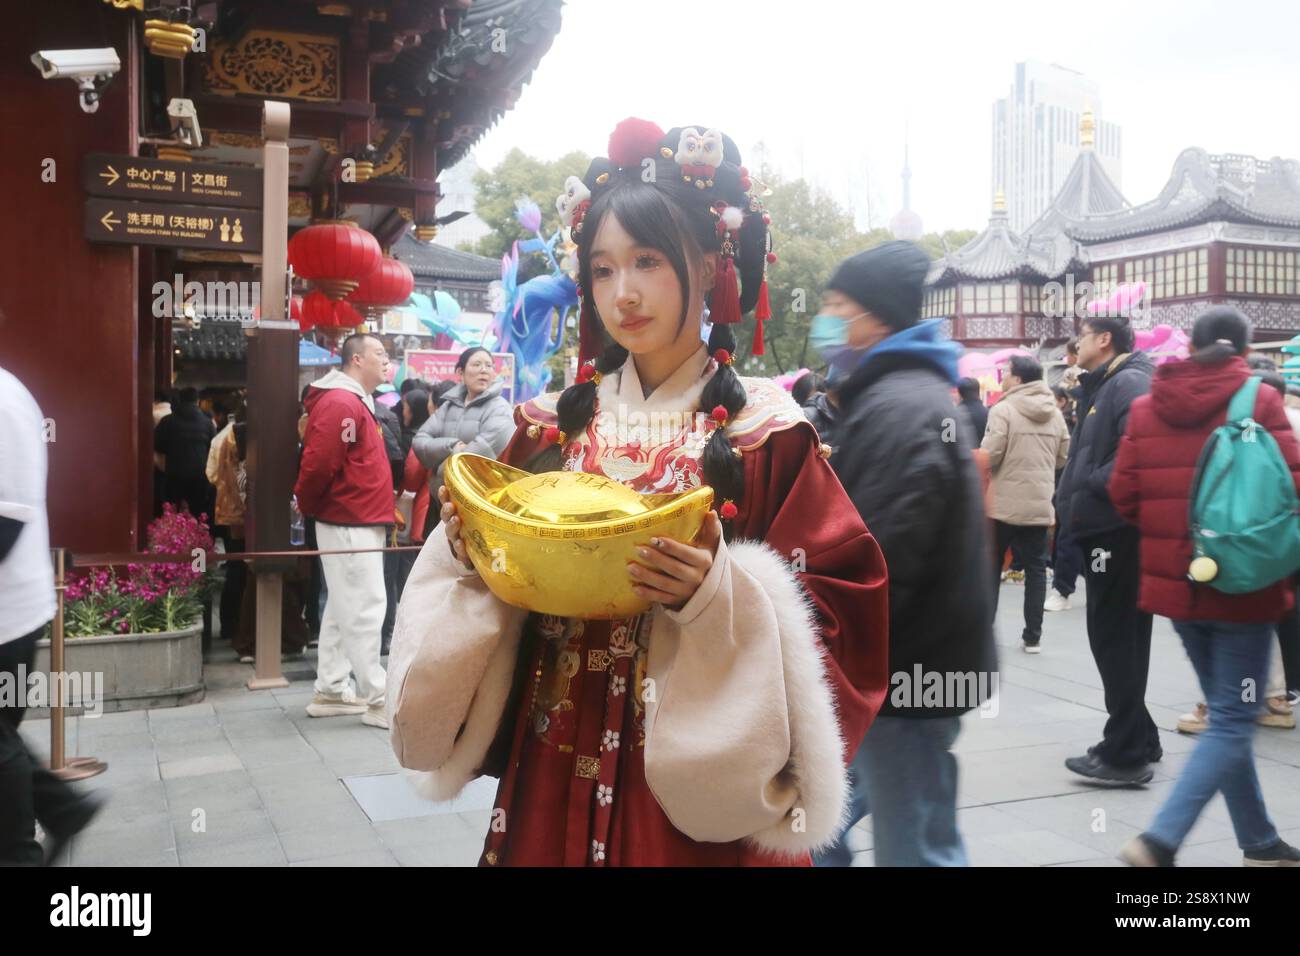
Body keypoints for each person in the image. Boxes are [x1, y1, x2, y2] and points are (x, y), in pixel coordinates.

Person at [388, 118, 890, 867]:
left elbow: (846, 607)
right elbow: (494, 570)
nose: (623, 294)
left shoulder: (766, 435)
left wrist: (716, 596)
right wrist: (476, 552)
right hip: (556, 742)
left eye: (648, 261)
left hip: (694, 763)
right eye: (602, 270)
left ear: (709, 263)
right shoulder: (548, 427)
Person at [809, 240, 997, 867]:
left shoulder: (899, 405)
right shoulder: (894, 393)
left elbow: (882, 555)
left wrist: (828, 640)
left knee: (915, 842)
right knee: (834, 813)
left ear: (878, 318)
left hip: (907, 668)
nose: (827, 318)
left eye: (838, 305)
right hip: (910, 663)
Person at [1113, 307, 1300, 867]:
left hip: (1180, 588)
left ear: (1191, 345)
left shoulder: (1147, 406)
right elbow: (1293, 488)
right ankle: (1160, 840)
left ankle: (1260, 842)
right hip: (1245, 587)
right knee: (1235, 716)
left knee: (1226, 712)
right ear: (1241, 350)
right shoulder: (1260, 401)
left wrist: (1174, 534)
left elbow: (1123, 494)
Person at [0, 359, 103, 864]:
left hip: (7, 609)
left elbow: (6, 517)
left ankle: (18, 853)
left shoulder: (2, 398)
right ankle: (61, 809)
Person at [1056, 292, 1160, 785]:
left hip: (1115, 532)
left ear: (1105, 338)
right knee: (1122, 636)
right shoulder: (1107, 383)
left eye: (1082, 335)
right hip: (1107, 528)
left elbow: (1141, 453)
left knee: (1114, 637)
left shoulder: (1130, 382)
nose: (1076, 345)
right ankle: (1142, 736)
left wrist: (1095, 480)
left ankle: (1124, 754)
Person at [294, 333, 393, 728]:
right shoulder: (341, 402)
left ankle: (332, 687)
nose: (387, 361)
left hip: (351, 516)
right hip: (350, 517)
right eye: (380, 353)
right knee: (365, 607)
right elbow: (318, 466)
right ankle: (379, 695)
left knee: (344, 605)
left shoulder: (346, 400)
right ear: (356, 359)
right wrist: (314, 505)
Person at [982, 354, 1069, 653]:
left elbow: (991, 453)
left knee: (992, 566)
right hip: (1039, 504)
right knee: (1036, 569)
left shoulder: (1003, 409)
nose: (1003, 377)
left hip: (1003, 504)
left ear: (1017, 379)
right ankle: (1033, 637)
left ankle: (985, 636)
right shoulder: (1055, 414)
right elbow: (1061, 457)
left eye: (1006, 372)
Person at [411, 347, 515, 491]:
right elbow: (419, 442)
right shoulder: (448, 406)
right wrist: (453, 446)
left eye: (489, 365)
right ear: (461, 372)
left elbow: (474, 460)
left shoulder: (500, 409)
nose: (484, 370)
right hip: (438, 500)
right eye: (476, 364)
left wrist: (439, 477)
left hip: (476, 499)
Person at [154, 386, 215, 521]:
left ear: (180, 400)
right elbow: (213, 448)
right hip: (200, 475)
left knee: (173, 513)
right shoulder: (207, 423)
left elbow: (157, 444)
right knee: (198, 513)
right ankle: (198, 539)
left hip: (174, 474)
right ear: (197, 401)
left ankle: (176, 539)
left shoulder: (168, 421)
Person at [957, 377, 988, 444]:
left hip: (963, 453)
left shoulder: (952, 415)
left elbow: (947, 441)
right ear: (978, 392)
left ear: (960, 394)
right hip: (984, 453)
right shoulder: (987, 413)